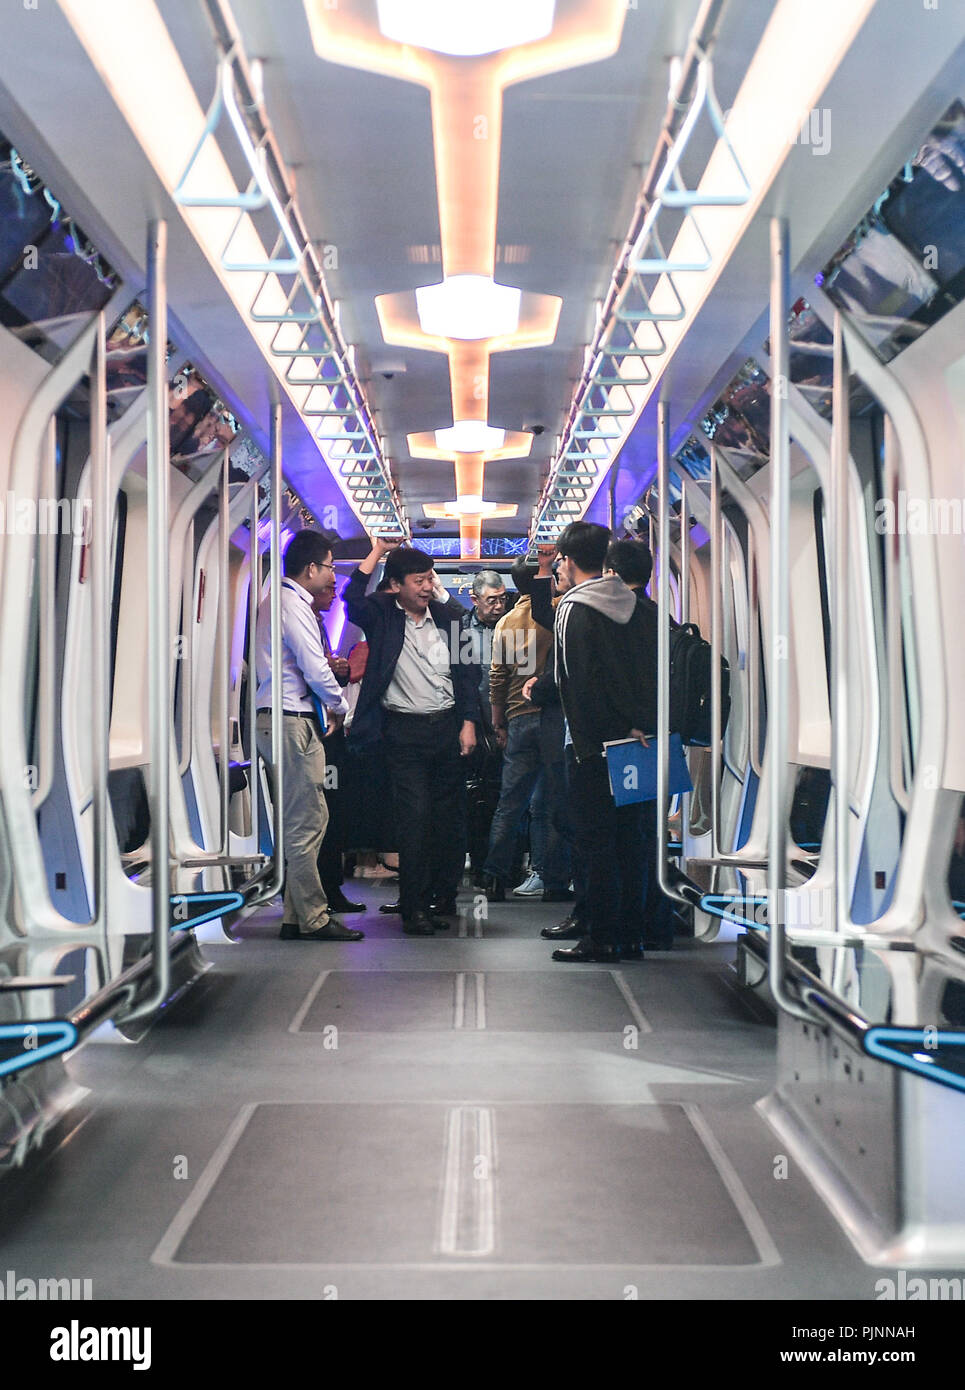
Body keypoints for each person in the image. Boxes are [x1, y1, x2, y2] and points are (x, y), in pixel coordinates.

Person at [344, 538, 479, 936]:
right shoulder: (382, 615)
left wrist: (469, 721)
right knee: (414, 819)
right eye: (418, 580)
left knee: (446, 820)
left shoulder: (448, 618)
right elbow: (352, 597)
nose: (426, 587)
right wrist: (377, 553)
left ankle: (442, 896)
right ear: (397, 585)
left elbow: (468, 673)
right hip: (403, 732)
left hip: (447, 728)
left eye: (430, 579)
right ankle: (413, 907)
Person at [549, 521, 658, 963]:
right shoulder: (638, 605)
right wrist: (640, 722)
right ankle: (632, 935)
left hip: (594, 745)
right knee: (633, 840)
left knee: (595, 843)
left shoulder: (574, 609)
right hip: (640, 741)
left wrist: (589, 743)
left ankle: (599, 936)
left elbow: (578, 682)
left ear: (569, 560)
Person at [254, 529, 363, 942]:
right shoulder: (291, 603)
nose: (331, 576)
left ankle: (293, 917)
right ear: (312, 568)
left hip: (279, 717)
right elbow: (314, 666)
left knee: (299, 819)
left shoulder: (275, 599)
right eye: (331, 567)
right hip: (290, 720)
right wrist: (340, 707)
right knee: (308, 821)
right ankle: (315, 917)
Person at [482, 556, 569, 903]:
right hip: (552, 715)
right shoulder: (560, 610)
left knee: (510, 802)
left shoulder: (506, 622)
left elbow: (497, 678)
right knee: (550, 803)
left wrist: (498, 721)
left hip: (517, 718)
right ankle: (552, 880)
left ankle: (493, 877)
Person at [312, 571, 365, 915]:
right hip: (320, 727)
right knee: (318, 814)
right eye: (329, 587)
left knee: (332, 812)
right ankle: (323, 890)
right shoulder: (294, 614)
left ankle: (331, 887)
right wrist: (338, 707)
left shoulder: (315, 622)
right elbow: (314, 671)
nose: (333, 595)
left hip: (327, 730)